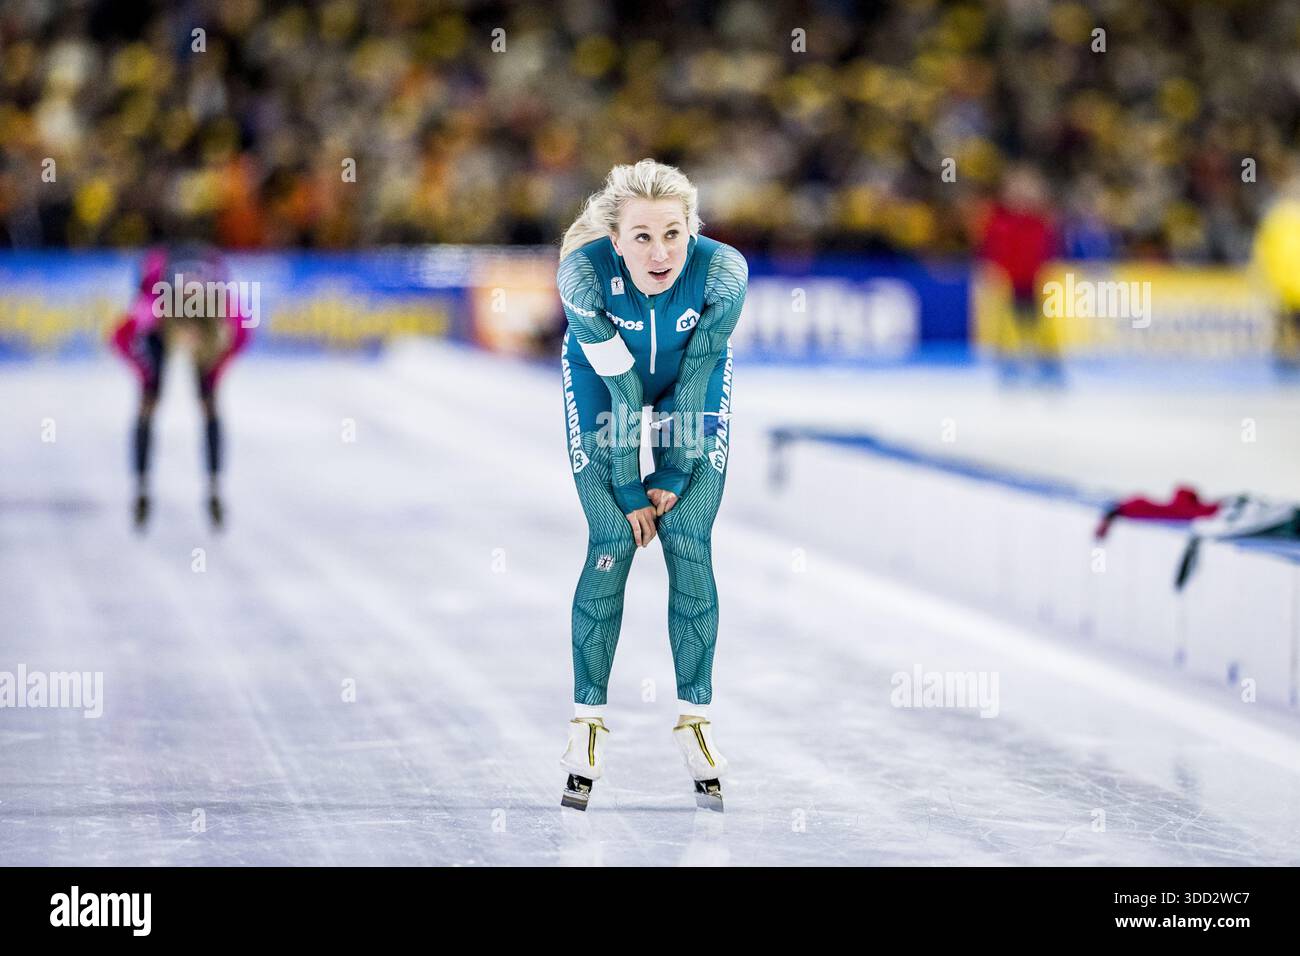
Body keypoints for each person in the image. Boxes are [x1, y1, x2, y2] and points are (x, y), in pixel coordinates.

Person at [554, 159, 748, 811]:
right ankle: (586, 725)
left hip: (687, 389)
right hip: (603, 381)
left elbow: (697, 378)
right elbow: (622, 391)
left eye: (673, 233)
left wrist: (671, 468)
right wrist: (630, 485)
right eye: (642, 237)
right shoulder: (583, 276)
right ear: (615, 241)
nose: (660, 252)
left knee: (689, 539)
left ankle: (697, 721)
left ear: (692, 230)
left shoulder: (723, 272)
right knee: (611, 535)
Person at [109, 244, 251, 530]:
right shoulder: (151, 310)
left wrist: (215, 373)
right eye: (184, 333)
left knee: (208, 402)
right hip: (162, 277)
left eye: (194, 337)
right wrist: (145, 371)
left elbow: (240, 339)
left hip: (202, 278)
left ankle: (213, 485)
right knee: (149, 401)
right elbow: (119, 338)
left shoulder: (227, 311)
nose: (187, 344)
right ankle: (142, 486)